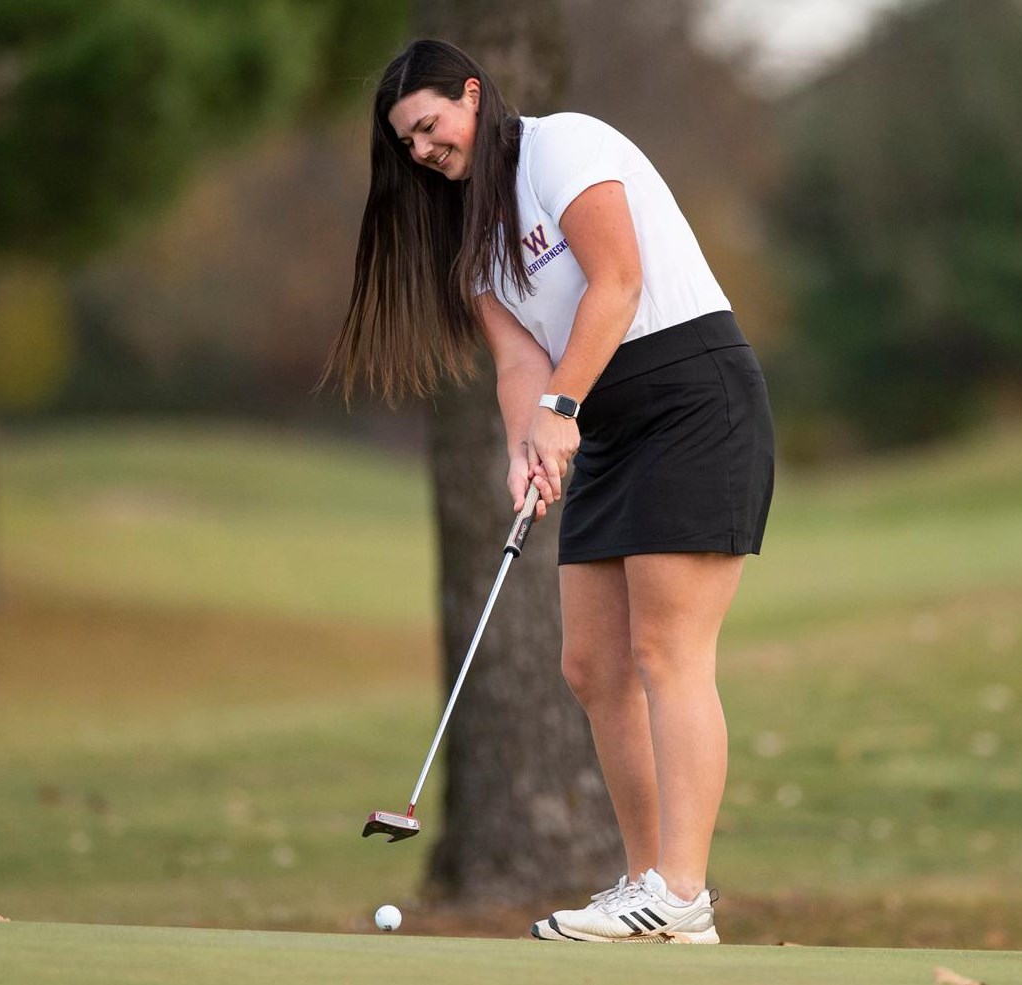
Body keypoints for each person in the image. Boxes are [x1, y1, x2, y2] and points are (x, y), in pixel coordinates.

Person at [326, 38, 775, 945]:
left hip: (693, 397)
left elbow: (619, 282)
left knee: (667, 650)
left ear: (473, 95)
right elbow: (518, 360)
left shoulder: (562, 146)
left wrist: (560, 407)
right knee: (592, 665)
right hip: (601, 420)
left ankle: (683, 890)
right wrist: (523, 448)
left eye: (430, 126)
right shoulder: (471, 235)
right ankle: (648, 885)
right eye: (408, 143)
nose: (423, 151)